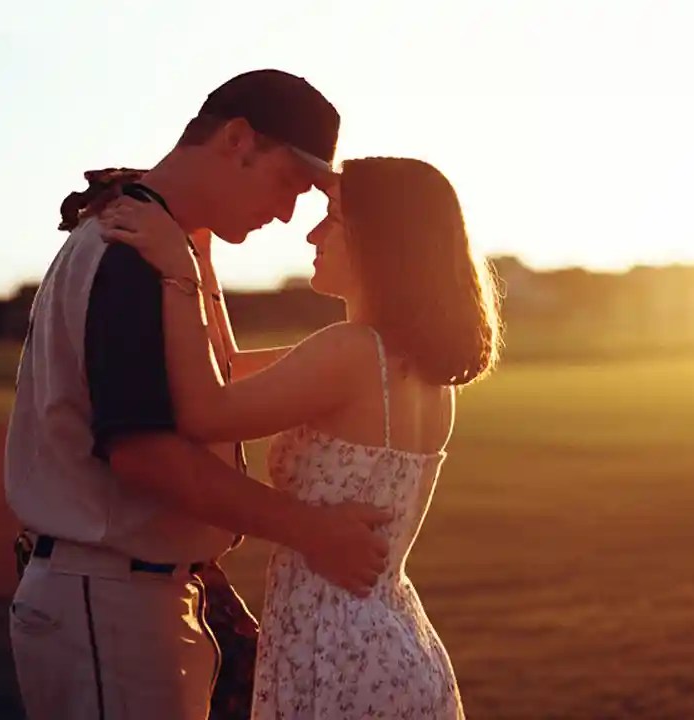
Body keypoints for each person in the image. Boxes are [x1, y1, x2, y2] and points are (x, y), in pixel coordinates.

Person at [4, 69, 391, 720]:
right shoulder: (133, 250)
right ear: (239, 141)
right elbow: (146, 455)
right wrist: (312, 530)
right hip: (110, 597)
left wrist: (373, 356)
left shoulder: (161, 241)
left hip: (129, 595)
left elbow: (216, 377)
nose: (291, 213)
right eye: (289, 183)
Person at [97, 155, 501, 718]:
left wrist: (175, 272)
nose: (312, 233)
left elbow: (204, 411)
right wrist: (202, 259)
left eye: (332, 217)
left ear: (378, 241)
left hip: (336, 653)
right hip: (387, 645)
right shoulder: (411, 366)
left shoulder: (351, 351)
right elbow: (229, 365)